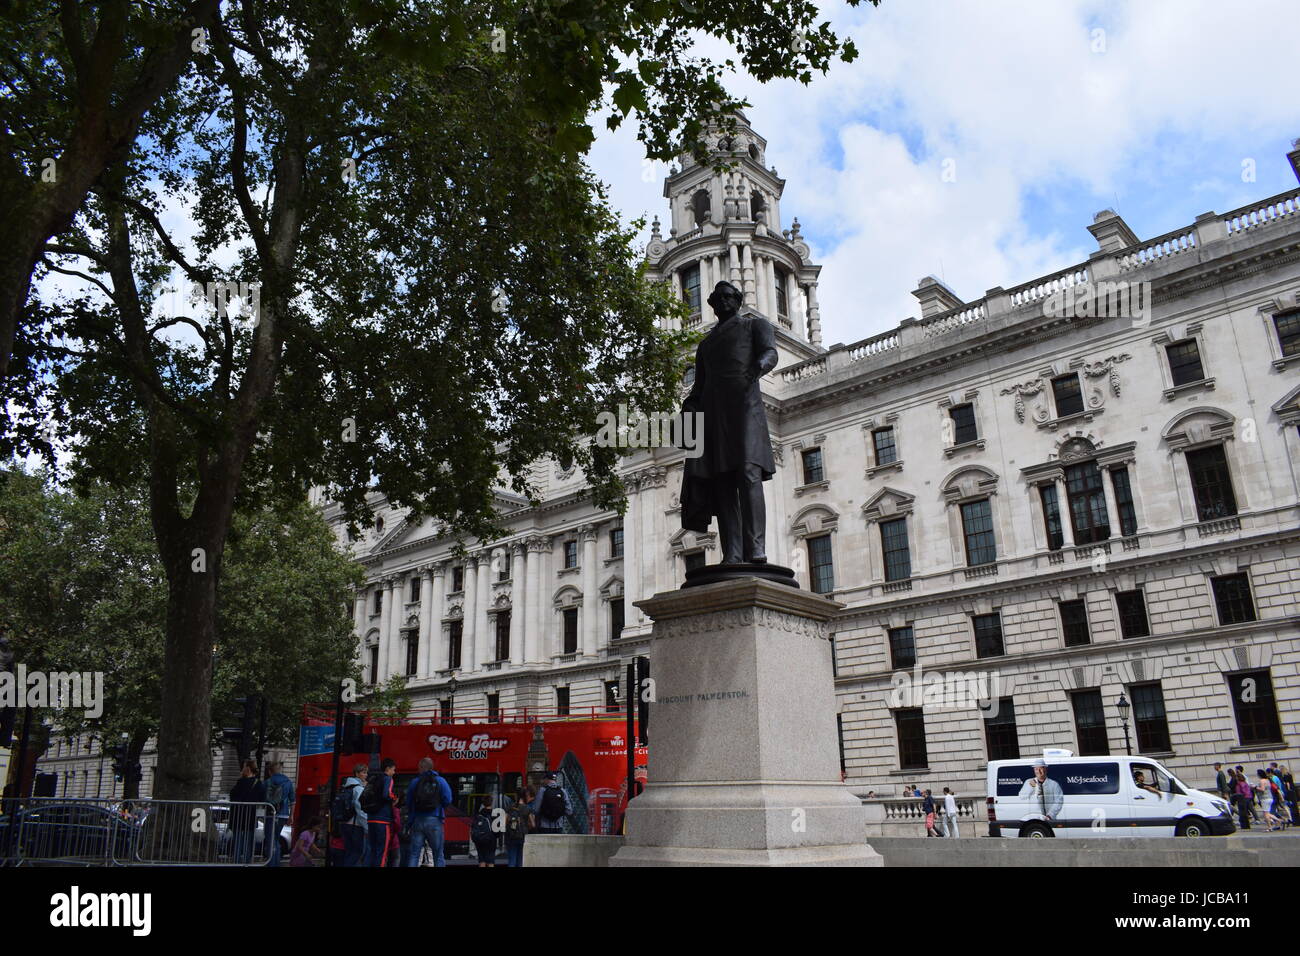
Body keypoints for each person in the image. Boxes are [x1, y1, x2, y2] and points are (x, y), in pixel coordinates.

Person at [405, 756, 453, 868]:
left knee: (414, 854)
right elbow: (448, 799)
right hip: (435, 820)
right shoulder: (441, 781)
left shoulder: (415, 782)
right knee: (438, 855)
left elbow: (408, 802)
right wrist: (438, 807)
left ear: (422, 767)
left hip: (418, 820)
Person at [228, 759, 266, 864]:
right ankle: (247, 862)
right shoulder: (259, 784)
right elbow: (262, 799)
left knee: (237, 842)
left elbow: (232, 796)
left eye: (244, 767)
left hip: (238, 816)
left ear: (248, 769)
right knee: (248, 842)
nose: (242, 769)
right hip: (250, 816)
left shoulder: (240, 782)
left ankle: (236, 862)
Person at [363, 758, 397, 866]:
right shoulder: (388, 779)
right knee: (381, 851)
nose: (394, 772)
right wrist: (395, 798)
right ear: (388, 769)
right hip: (383, 820)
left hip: (371, 818)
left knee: (372, 850)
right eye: (393, 770)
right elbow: (386, 794)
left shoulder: (373, 778)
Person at [264, 761, 295, 867]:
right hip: (283, 814)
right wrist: (291, 816)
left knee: (270, 840)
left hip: (270, 813)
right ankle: (276, 862)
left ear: (270, 771)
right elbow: (293, 800)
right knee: (276, 839)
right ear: (280, 770)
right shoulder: (288, 782)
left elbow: (262, 798)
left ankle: (271, 863)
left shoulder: (268, 782)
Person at [338, 764, 369, 867]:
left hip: (344, 823)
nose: (366, 775)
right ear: (357, 773)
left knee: (349, 852)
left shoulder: (346, 787)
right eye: (363, 772)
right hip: (355, 825)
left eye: (366, 772)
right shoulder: (358, 788)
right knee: (357, 852)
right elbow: (360, 809)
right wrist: (367, 827)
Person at [505, 787, 535, 868]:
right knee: (520, 861)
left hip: (511, 836)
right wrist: (525, 827)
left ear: (516, 796)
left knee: (512, 860)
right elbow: (533, 824)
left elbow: (505, 822)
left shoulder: (510, 807)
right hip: (522, 836)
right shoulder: (527, 808)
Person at [472, 795, 498, 866]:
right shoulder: (495, 815)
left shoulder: (478, 815)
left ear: (483, 804)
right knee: (490, 861)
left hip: (480, 840)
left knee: (482, 860)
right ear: (491, 802)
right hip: (491, 840)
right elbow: (498, 831)